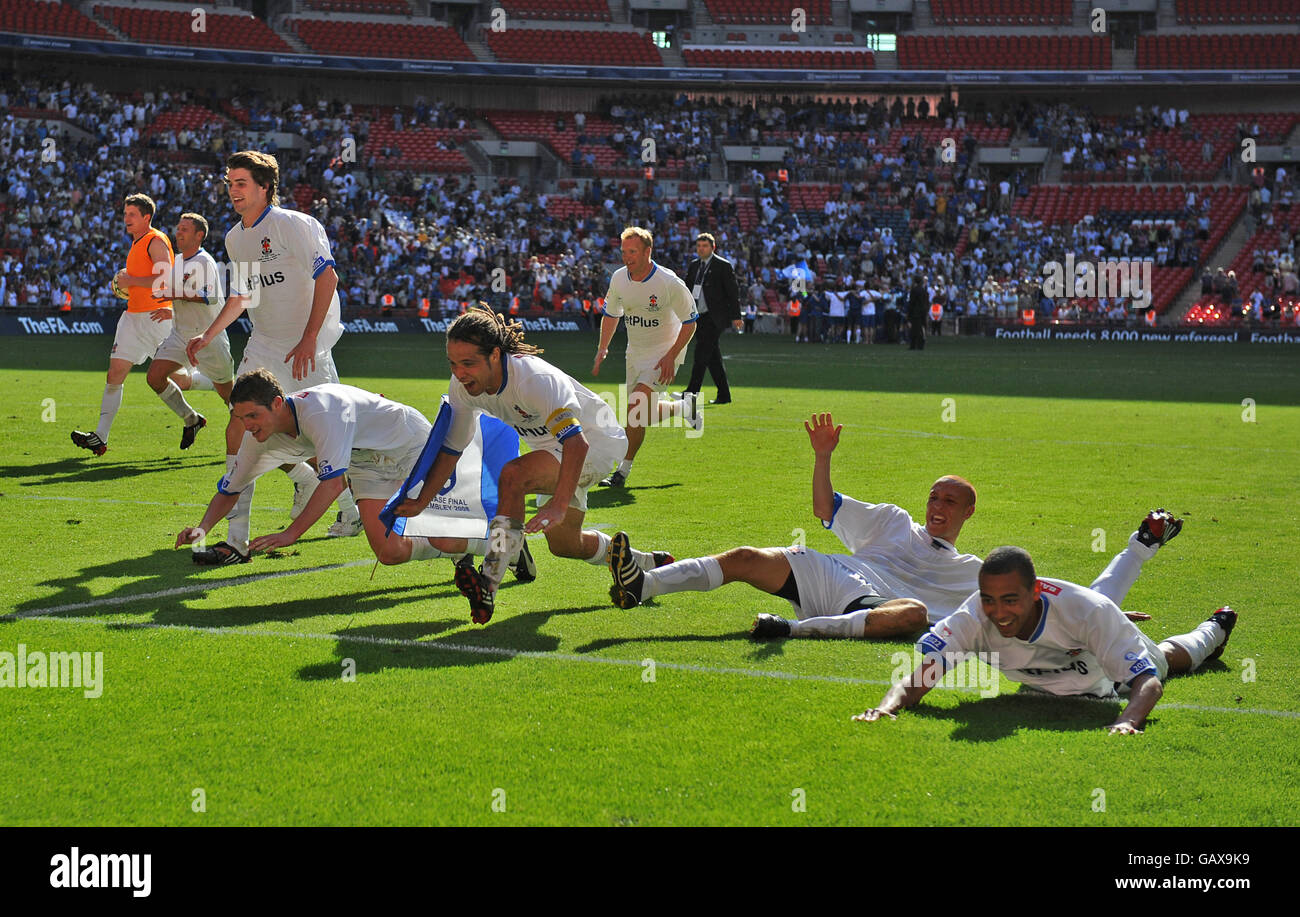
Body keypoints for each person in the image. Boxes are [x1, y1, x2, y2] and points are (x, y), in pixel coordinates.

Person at [609, 413, 1180, 640]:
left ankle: (792, 630)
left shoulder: (972, 571)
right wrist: (823, 456)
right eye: (934, 495)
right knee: (742, 558)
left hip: (873, 603)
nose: (938, 504)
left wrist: (1100, 607)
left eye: (950, 500)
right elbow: (824, 509)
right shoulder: (891, 521)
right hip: (835, 573)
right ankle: (642, 584)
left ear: (967, 513)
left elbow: (1038, 595)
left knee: (905, 616)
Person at [396, 307, 672, 624]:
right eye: (453, 364)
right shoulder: (463, 387)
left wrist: (557, 504)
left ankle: (489, 580)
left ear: (495, 355)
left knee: (513, 476)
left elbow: (576, 443)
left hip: (595, 444)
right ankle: (643, 562)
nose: (460, 373)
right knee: (566, 544)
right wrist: (423, 500)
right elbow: (451, 449)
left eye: (468, 363)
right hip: (555, 450)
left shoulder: (534, 379)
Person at [174, 369, 534, 579]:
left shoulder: (322, 412)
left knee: (443, 534)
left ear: (278, 404)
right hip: (364, 461)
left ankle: (507, 547)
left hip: (409, 444)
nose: (247, 426)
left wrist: (292, 533)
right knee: (389, 553)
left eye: (253, 416)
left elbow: (331, 483)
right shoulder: (259, 440)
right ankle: (485, 548)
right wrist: (203, 528)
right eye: (241, 419)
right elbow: (230, 489)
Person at [185, 151, 361, 564]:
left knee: (322, 442)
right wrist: (209, 333)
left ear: (266, 187)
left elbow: (328, 276)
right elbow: (244, 295)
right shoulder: (234, 237)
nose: (233, 191)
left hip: (308, 350)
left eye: (242, 183)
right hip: (264, 345)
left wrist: (309, 338)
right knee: (240, 424)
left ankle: (351, 511)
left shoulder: (294, 225)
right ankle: (236, 540)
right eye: (230, 183)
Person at [853, 546, 1237, 735]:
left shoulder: (1087, 610)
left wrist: (1126, 722)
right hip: (1067, 670)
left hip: (1107, 673)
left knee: (1168, 659)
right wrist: (887, 707)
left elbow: (1147, 684)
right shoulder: (974, 616)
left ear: (1035, 592)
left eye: (1010, 600)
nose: (998, 612)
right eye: (989, 599)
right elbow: (922, 677)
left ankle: (1214, 629)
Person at [594, 227, 700, 489]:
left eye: (632, 251)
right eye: (623, 252)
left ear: (647, 252)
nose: (627, 257)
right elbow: (611, 314)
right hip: (635, 353)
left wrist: (671, 356)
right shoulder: (619, 279)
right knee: (639, 416)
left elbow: (690, 322)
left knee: (634, 409)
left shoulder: (669, 283)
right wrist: (602, 348)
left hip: (664, 353)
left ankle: (622, 472)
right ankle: (685, 408)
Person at [71, 194, 175, 456]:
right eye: (125, 213)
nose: (126, 218)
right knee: (114, 374)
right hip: (132, 317)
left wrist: (131, 281)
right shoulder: (137, 242)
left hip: (156, 317)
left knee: (180, 379)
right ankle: (100, 437)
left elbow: (165, 280)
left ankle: (204, 403)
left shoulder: (155, 240)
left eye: (132, 214)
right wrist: (129, 283)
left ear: (146, 218)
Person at [144, 212, 235, 450]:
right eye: (178, 228)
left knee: (230, 397)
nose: (178, 232)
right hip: (180, 334)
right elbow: (182, 295)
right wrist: (171, 311)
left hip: (208, 337)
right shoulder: (177, 260)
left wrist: (173, 295)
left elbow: (210, 296)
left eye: (184, 229)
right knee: (154, 377)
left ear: (199, 235)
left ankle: (251, 436)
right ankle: (191, 419)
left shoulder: (204, 262)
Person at [681, 233, 741, 405]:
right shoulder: (694, 266)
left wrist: (736, 316)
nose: (701, 249)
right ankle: (724, 394)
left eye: (705, 246)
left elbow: (732, 292)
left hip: (714, 317)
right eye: (699, 246)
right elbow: (686, 289)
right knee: (713, 357)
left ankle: (692, 392)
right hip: (697, 316)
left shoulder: (723, 265)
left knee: (701, 354)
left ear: (713, 247)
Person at [907, 273, 928, 350]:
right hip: (922, 311)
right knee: (921, 328)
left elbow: (911, 302)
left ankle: (913, 345)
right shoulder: (923, 290)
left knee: (914, 329)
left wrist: (909, 314)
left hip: (915, 312)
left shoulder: (914, 290)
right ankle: (920, 344)